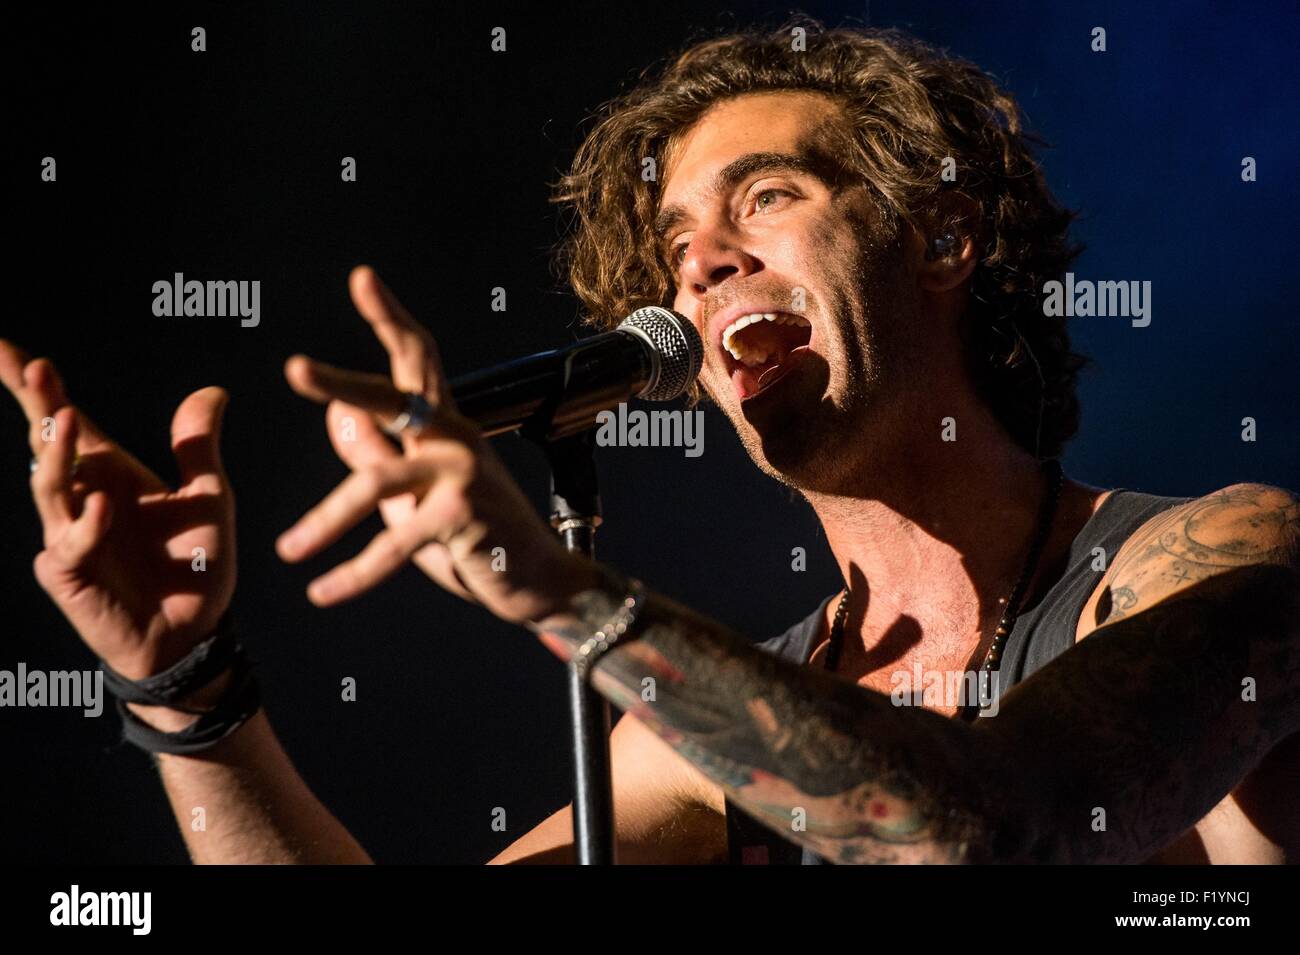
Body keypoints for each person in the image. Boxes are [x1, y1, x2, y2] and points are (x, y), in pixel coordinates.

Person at [3, 23, 1296, 865]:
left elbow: (997, 825)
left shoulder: (1217, 557)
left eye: (768, 196)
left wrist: (567, 597)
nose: (703, 261)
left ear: (945, 239)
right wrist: (187, 692)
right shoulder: (698, 735)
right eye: (678, 243)